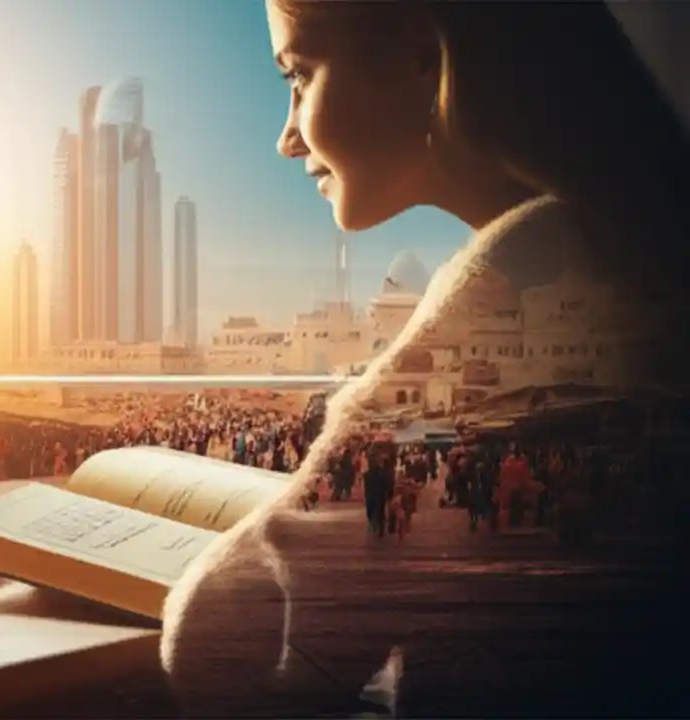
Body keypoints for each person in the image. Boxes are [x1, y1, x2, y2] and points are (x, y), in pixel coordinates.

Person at [159, 2, 690, 717]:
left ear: (423, 59)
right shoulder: (640, 239)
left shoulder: (543, 266)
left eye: (300, 74)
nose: (287, 137)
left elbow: (220, 651)